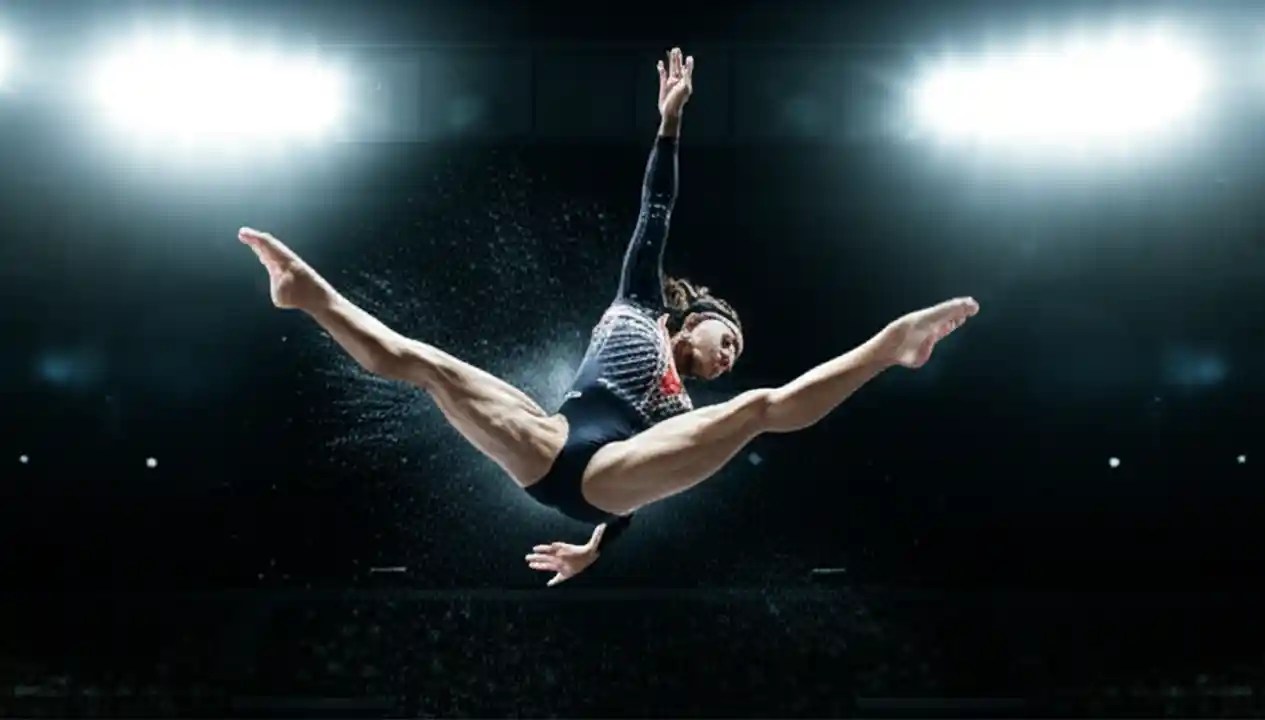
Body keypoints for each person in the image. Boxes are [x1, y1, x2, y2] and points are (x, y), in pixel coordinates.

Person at [238, 48, 979, 587]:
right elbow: (656, 208)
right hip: (550, 441)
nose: (730, 354)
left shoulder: (683, 415)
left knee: (757, 407)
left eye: (734, 349)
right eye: (728, 337)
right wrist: (670, 124)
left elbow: (637, 493)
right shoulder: (639, 301)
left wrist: (596, 545)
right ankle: (306, 292)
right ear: (693, 319)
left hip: (603, 479)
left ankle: (892, 345)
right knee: (428, 365)